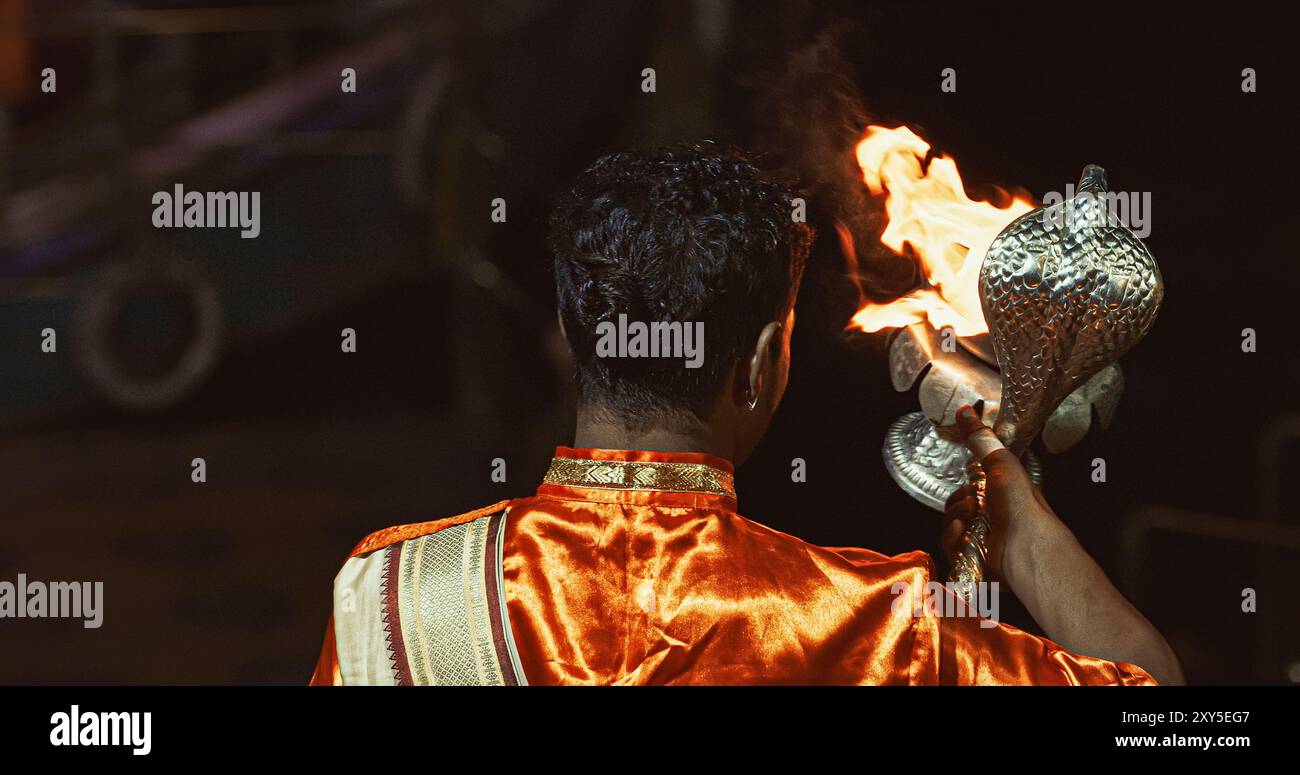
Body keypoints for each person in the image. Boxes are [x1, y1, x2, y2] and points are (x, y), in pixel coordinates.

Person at [309, 144, 1183, 685]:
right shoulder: (875, 626)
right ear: (763, 361)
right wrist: (1021, 525)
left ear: (571, 345)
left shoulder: (391, 589)